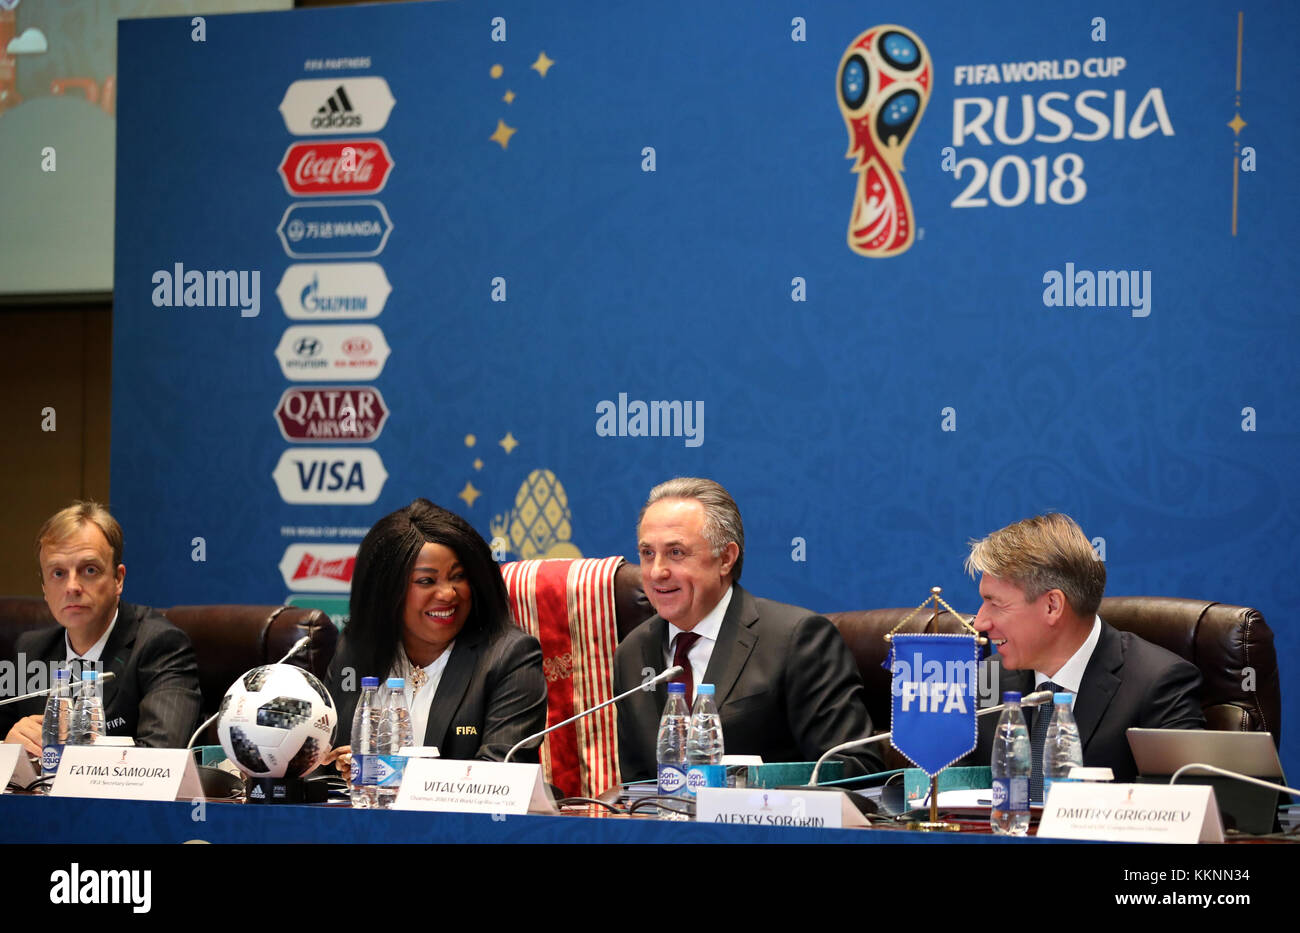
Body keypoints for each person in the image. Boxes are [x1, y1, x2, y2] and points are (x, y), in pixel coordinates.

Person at [613, 477, 881, 782]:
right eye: (648, 553)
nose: (656, 571)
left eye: (676, 553)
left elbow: (855, 770)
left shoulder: (797, 640)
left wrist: (750, 788)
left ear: (725, 558)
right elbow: (637, 787)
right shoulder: (632, 653)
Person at [967, 512, 1204, 785]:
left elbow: (1180, 807)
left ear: (1052, 606)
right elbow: (939, 797)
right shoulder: (984, 681)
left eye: (995, 603)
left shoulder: (1159, 684)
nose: (981, 621)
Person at [325, 499, 546, 769]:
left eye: (459, 576)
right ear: (386, 592)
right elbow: (326, 761)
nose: (448, 594)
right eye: (426, 581)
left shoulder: (508, 657)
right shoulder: (356, 650)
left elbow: (502, 775)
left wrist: (392, 775)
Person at [1, 501, 201, 753]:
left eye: (89, 570)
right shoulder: (30, 651)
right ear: (44, 589)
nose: (72, 587)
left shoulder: (160, 646)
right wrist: (9, 749)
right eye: (58, 573)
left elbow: (160, 756)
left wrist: (78, 751)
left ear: (118, 579)